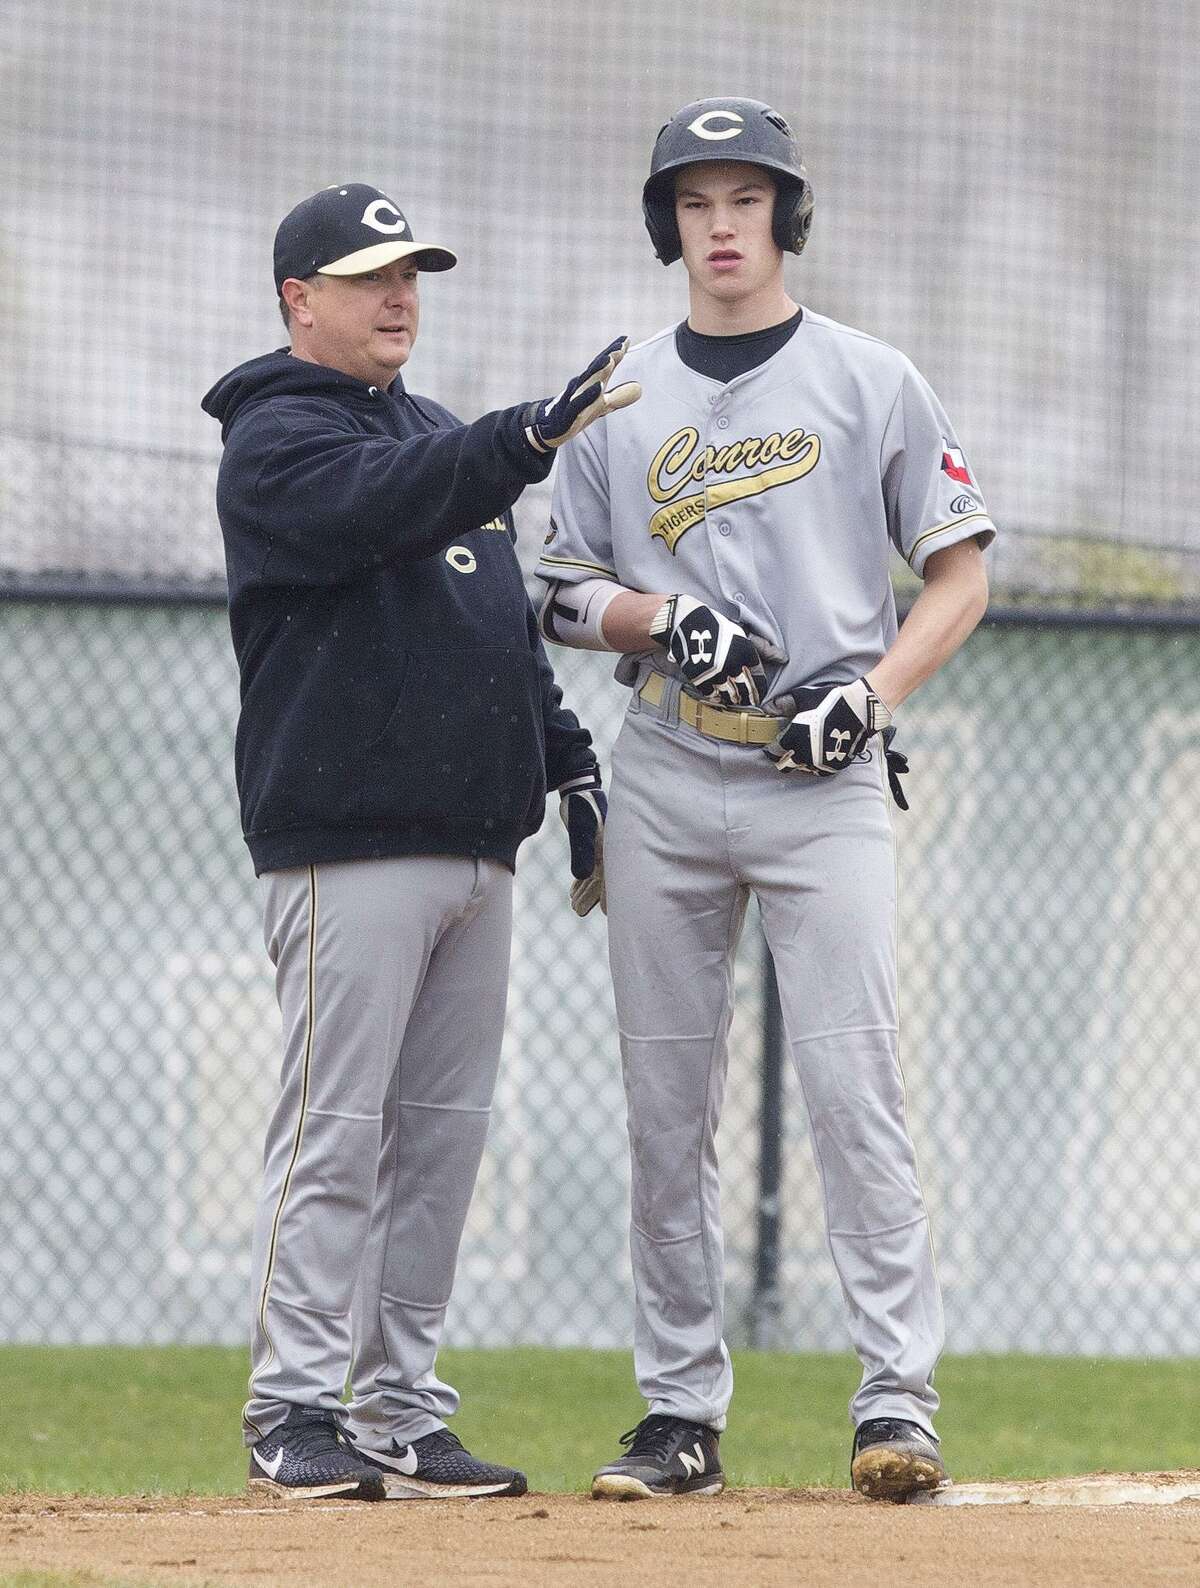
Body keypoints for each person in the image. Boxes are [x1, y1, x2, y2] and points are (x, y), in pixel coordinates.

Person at [535, 101, 993, 1502]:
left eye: (748, 196)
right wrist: (658, 618)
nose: (722, 222)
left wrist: (873, 693)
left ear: (787, 216)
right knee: (665, 1106)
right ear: (666, 222)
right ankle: (679, 1415)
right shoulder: (618, 391)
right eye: (695, 199)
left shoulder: (871, 377)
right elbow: (556, 588)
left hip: (824, 781)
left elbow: (961, 573)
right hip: (670, 771)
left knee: (857, 1090)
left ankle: (896, 1402)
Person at [201, 182, 636, 1502]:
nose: (400, 295)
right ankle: (292, 1406)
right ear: (300, 301)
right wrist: (522, 435)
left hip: (472, 845)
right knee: (335, 1131)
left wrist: (571, 775)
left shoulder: (440, 439)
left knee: (441, 1138)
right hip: (350, 843)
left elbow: (499, 631)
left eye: (412, 273)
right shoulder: (278, 442)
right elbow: (373, 507)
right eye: (369, 274)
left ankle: (397, 1407)